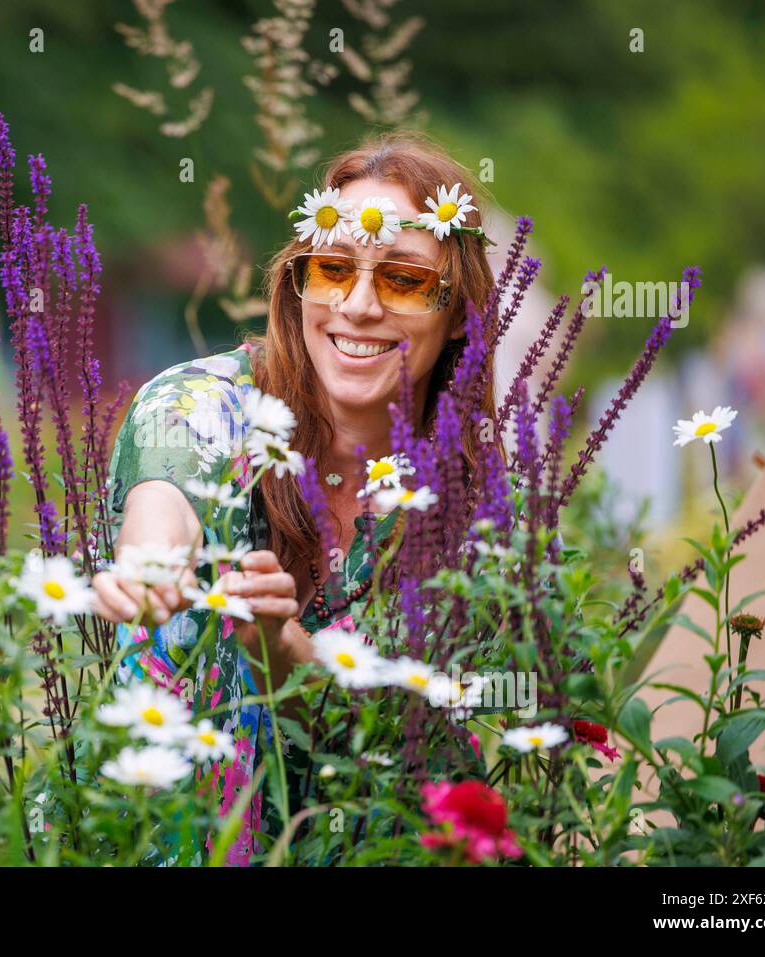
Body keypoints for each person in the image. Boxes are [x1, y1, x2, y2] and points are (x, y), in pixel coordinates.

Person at [92, 131, 498, 864]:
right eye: (334, 269)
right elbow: (167, 491)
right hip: (178, 829)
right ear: (299, 284)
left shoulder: (479, 500)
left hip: (377, 840)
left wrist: (284, 651)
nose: (361, 305)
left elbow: (432, 748)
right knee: (188, 622)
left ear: (458, 314)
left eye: (404, 280)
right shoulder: (204, 402)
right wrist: (153, 568)